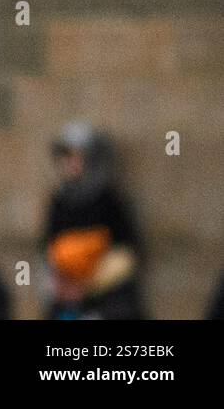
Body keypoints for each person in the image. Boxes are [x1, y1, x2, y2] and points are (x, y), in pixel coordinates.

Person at [42, 122, 147, 319]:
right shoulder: (59, 202)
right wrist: (61, 284)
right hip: (67, 294)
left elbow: (128, 254)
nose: (72, 163)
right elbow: (48, 248)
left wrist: (89, 283)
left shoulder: (109, 201)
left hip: (109, 296)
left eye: (78, 156)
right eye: (68, 156)